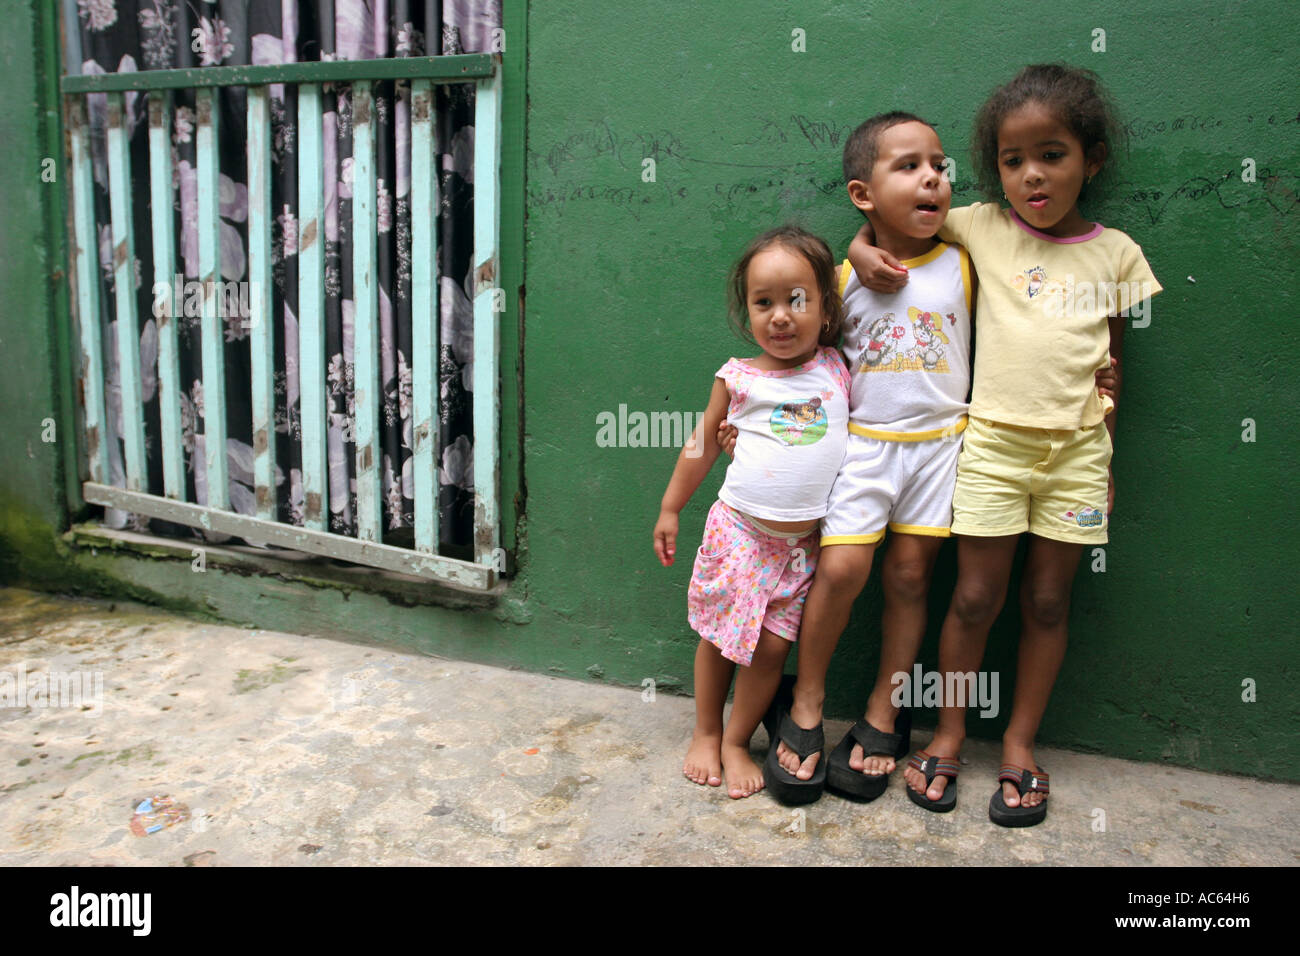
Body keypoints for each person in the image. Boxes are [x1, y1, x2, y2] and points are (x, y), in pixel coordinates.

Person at [847, 64, 1161, 825]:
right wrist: (858, 251)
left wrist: (1108, 457)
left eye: (1051, 154)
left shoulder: (1116, 253)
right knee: (977, 595)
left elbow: (1113, 366)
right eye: (1012, 161)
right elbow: (896, 223)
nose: (1031, 176)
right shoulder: (979, 225)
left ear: (1093, 159)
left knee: (1049, 602)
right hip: (989, 447)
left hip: (1079, 458)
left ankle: (1020, 744)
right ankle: (950, 731)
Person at [654, 225, 850, 799]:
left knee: (770, 649)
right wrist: (671, 508)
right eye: (763, 303)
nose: (780, 316)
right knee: (720, 638)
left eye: (797, 300)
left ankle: (739, 739)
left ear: (825, 307)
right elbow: (701, 445)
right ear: (746, 311)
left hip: (801, 548)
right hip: (740, 532)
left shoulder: (838, 369)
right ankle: (707, 731)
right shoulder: (739, 377)